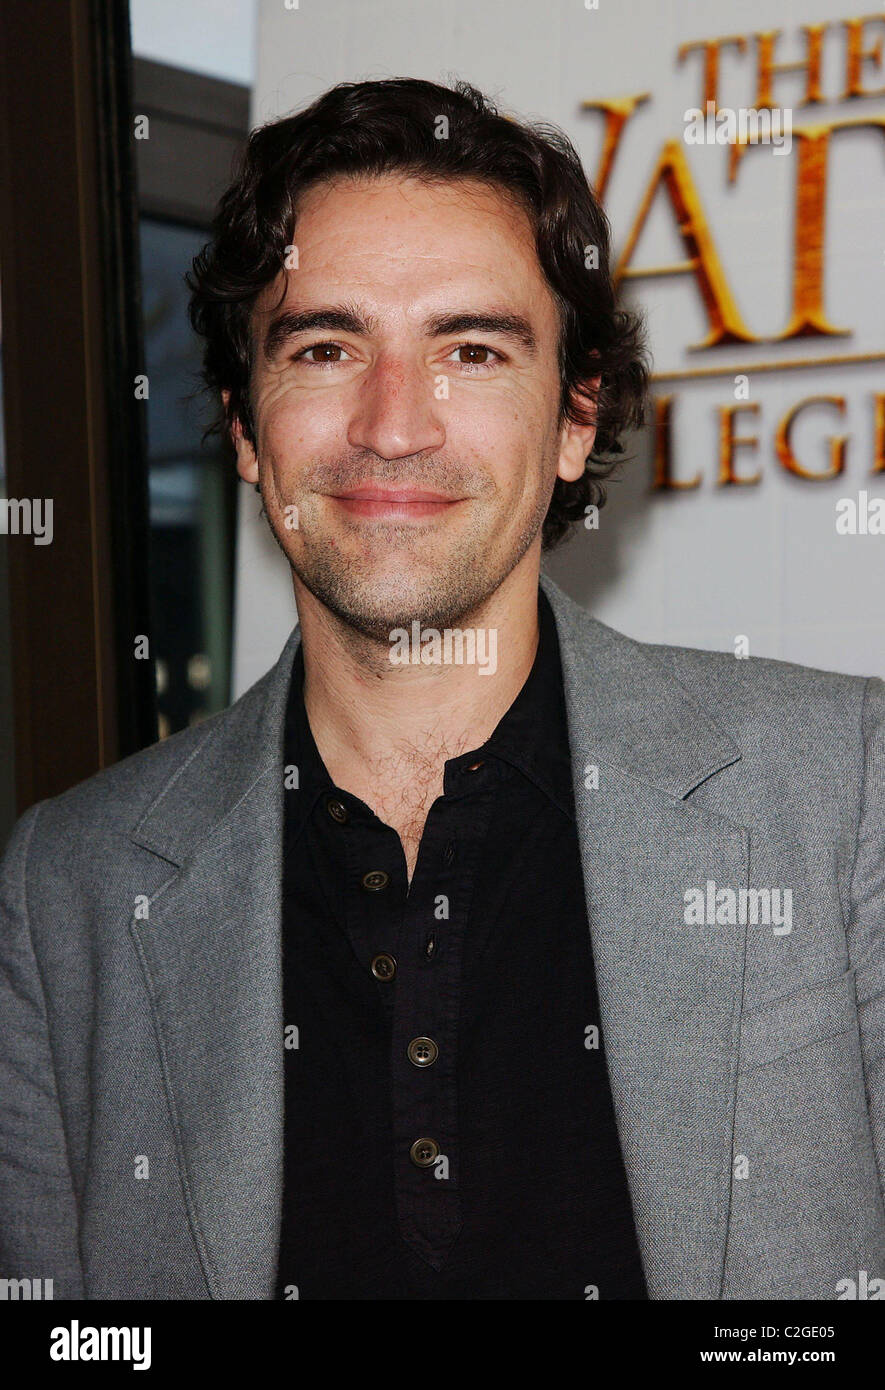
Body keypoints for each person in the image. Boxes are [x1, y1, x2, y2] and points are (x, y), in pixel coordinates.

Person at [0, 77, 882, 1301]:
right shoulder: (71, 889)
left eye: (470, 349)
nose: (394, 423)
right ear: (246, 426)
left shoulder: (841, 800)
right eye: (324, 346)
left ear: (576, 418)